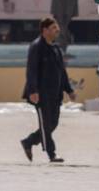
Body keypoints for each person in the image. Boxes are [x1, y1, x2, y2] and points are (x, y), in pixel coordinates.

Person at [20, 16, 75, 164]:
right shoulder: (36, 47)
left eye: (57, 28)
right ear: (44, 30)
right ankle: (52, 154)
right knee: (45, 125)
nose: (57, 30)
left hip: (55, 95)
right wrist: (33, 91)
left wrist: (69, 90)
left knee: (53, 124)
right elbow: (31, 71)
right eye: (53, 28)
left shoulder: (56, 49)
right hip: (40, 94)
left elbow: (62, 72)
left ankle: (29, 141)